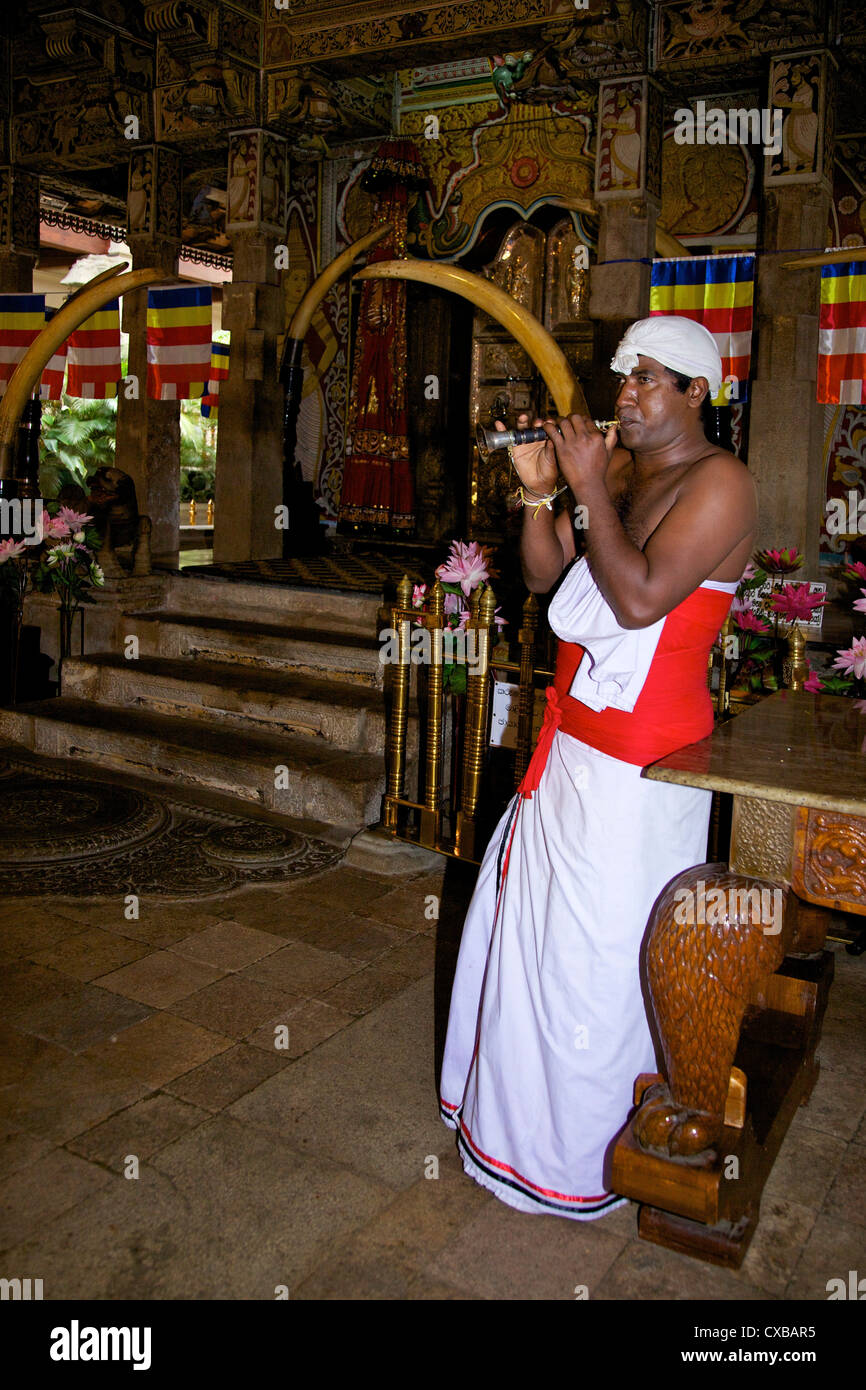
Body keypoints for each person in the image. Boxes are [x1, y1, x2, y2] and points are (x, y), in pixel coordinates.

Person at [439, 315, 757, 1219]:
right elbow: (546, 583)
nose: (624, 395)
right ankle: (517, 1138)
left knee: (605, 959)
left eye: (648, 378)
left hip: (643, 766)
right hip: (571, 743)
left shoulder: (722, 484)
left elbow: (640, 595)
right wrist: (544, 495)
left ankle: (593, 1153)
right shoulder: (617, 471)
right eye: (621, 378)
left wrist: (589, 487)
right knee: (541, 949)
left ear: (698, 392)